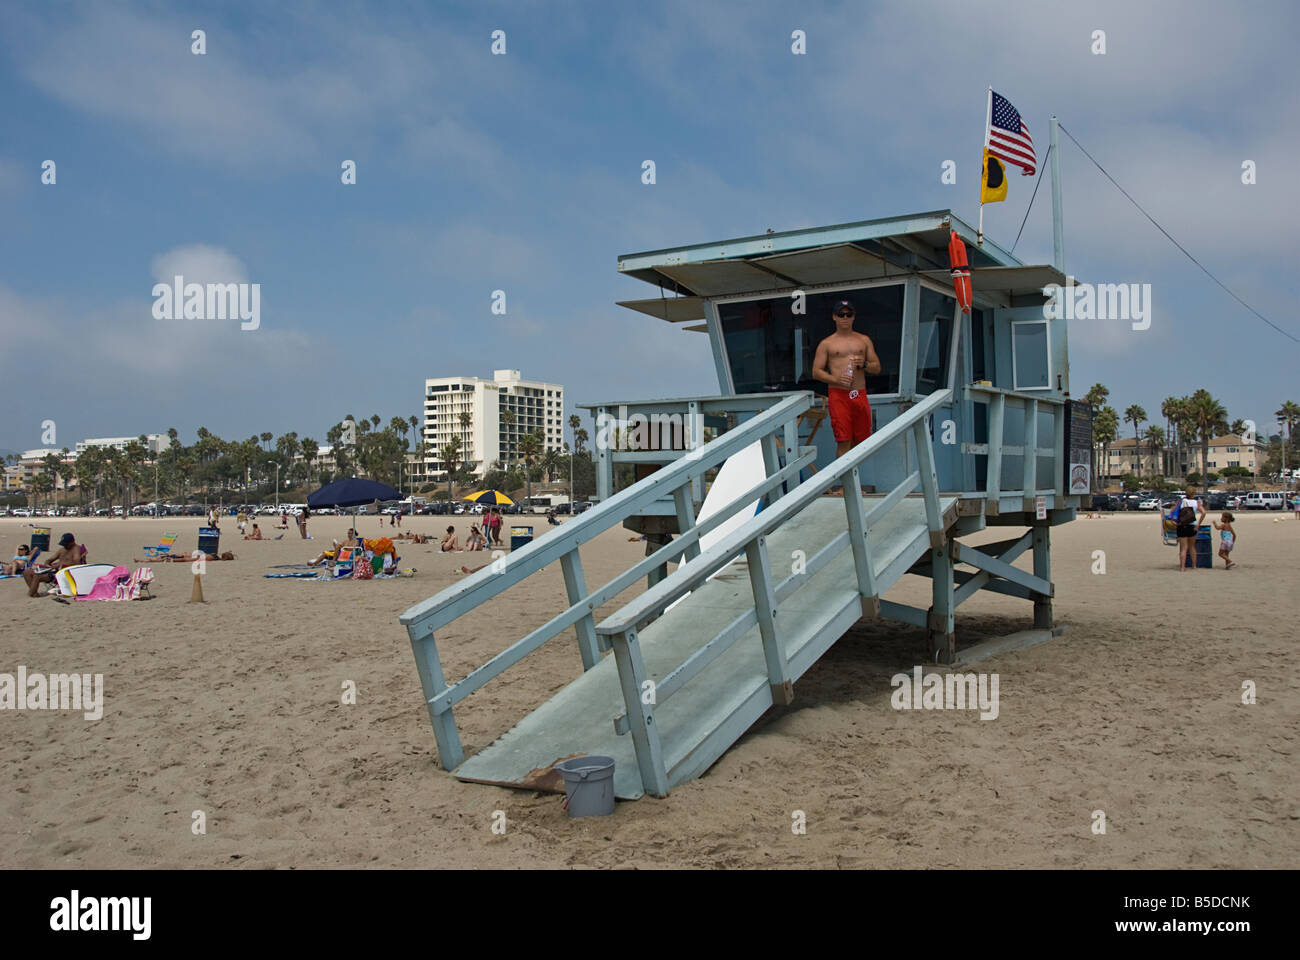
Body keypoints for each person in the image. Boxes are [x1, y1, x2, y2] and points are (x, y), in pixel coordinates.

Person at [812, 298, 882, 465]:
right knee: (843, 440)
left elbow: (877, 367)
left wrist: (864, 364)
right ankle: (844, 486)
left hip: (859, 393)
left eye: (848, 314)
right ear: (834, 317)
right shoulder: (827, 343)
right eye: (841, 314)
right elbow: (816, 372)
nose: (844, 318)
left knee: (862, 441)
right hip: (838, 394)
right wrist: (835, 379)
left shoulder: (863, 340)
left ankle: (853, 483)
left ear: (853, 317)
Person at [24, 533, 82, 598]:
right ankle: (34, 593)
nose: (64, 546)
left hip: (63, 574)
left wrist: (62, 564)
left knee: (37, 576)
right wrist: (47, 564)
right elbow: (49, 560)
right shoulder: (62, 550)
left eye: (66, 544)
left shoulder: (76, 549)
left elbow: (77, 563)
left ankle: (30, 594)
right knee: (26, 572)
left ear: (72, 542)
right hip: (53, 570)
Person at [1173, 493, 1206, 572]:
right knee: (1192, 547)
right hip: (1192, 526)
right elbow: (1204, 512)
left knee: (1183, 548)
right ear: (1193, 494)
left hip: (1181, 526)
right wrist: (1198, 523)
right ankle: (1194, 566)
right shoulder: (1196, 502)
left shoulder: (1180, 502)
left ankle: (1182, 567)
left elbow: (1172, 511)